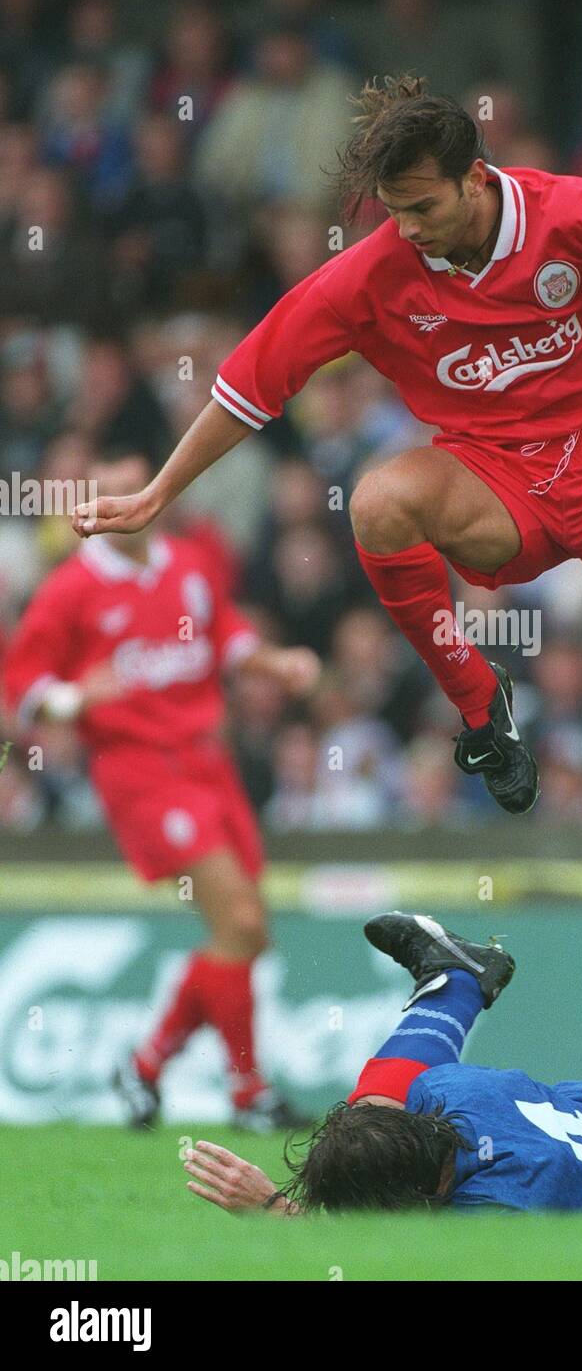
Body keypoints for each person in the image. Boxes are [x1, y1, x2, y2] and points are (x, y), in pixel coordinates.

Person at [71, 73, 582, 846]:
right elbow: (249, 384)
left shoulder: (580, 213)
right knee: (376, 503)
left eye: (422, 206)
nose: (408, 228)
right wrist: (155, 495)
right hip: (493, 482)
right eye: (394, 211)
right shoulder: (370, 276)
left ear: (475, 177)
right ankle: (478, 705)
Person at [3, 440, 320, 1132]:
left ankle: (144, 1066)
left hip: (210, 762)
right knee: (237, 923)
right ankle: (247, 1093)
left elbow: (224, 635)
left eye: (130, 492)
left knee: (248, 931)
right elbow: (21, 689)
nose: (119, 510)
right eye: (104, 497)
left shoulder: (190, 563)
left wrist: (274, 662)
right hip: (141, 771)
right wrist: (70, 699)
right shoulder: (70, 590)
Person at [182, 912, 582, 1216]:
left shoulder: (504, 1210)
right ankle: (455, 982)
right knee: (376, 1110)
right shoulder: (445, 1090)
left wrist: (271, 1210)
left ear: (423, 1195)